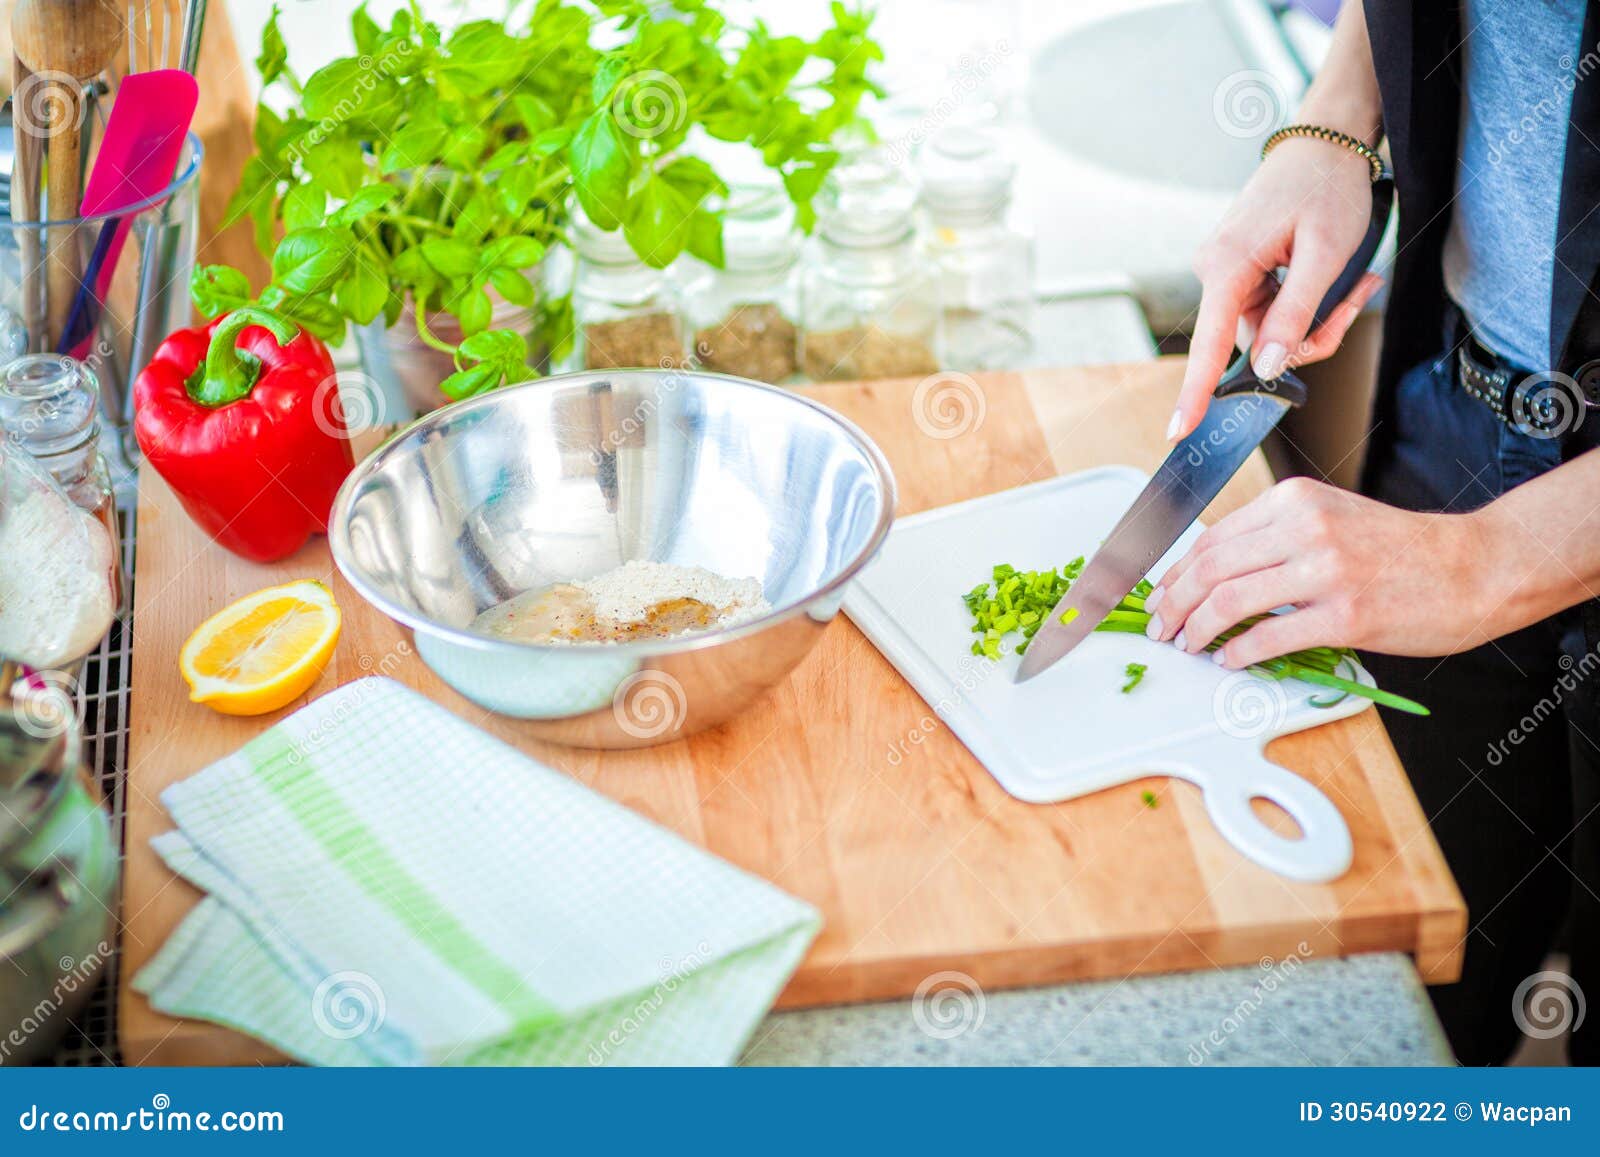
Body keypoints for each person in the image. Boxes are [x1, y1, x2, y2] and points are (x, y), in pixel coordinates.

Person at [1149, 0, 1598, 1064]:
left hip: (1486, 537)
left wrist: (1491, 559)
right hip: (1458, 421)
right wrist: (1336, 122)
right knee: (1406, 998)